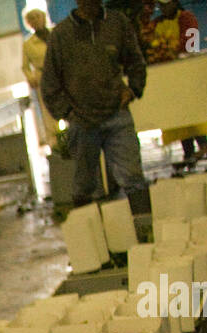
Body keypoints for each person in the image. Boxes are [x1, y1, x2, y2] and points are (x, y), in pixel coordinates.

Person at [40, 0, 152, 213]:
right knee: (85, 187)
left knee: (133, 177)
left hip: (117, 115)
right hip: (82, 122)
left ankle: (144, 231)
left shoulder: (117, 23)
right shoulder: (61, 35)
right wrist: (67, 113)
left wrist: (133, 89)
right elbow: (49, 83)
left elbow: (136, 61)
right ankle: (92, 239)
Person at [152, 0, 207, 163]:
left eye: (167, 4)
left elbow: (191, 45)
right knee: (177, 116)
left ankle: (204, 144)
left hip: (186, 73)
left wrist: (166, 50)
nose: (164, 8)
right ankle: (188, 152)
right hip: (168, 78)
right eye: (162, 5)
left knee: (192, 111)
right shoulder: (156, 23)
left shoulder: (187, 18)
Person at [22, 8, 54, 147]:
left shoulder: (55, 34)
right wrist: (30, 78)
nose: (36, 21)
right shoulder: (28, 44)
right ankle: (55, 143)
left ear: (44, 17)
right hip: (43, 78)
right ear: (29, 23)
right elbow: (25, 66)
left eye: (38, 17)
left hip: (60, 74)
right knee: (48, 112)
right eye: (32, 19)